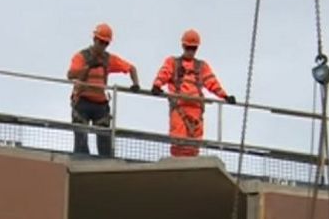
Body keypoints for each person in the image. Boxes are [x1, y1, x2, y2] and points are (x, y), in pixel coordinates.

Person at [151, 29, 235, 157]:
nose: (190, 51)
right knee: (178, 143)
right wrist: (157, 85)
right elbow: (164, 73)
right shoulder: (172, 62)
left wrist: (225, 96)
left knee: (194, 147)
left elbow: (212, 82)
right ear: (183, 46)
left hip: (196, 111)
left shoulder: (202, 66)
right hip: (179, 109)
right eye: (188, 47)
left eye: (193, 48)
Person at [67, 23, 140, 157]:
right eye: (101, 42)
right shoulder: (81, 57)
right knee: (81, 141)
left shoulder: (108, 59)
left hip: (100, 104)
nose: (102, 46)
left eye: (106, 43)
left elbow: (131, 68)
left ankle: (105, 164)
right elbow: (70, 75)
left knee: (104, 143)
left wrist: (135, 84)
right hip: (82, 102)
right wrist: (88, 67)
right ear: (94, 39)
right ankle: (82, 163)